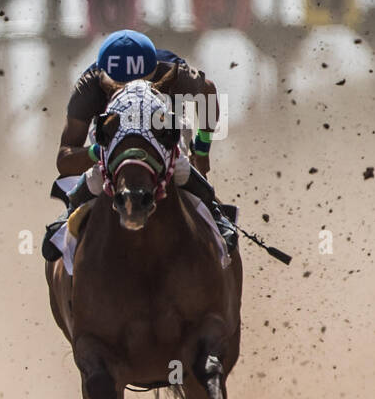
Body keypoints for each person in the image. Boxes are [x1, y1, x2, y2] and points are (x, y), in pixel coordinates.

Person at [41, 29, 237, 262]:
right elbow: (64, 160)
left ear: (155, 73)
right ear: (106, 81)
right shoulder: (89, 86)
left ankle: (214, 214)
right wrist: (99, 151)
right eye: (122, 87)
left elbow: (208, 91)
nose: (133, 96)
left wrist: (202, 152)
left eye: (141, 84)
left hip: (164, 137)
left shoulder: (172, 70)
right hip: (112, 148)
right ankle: (69, 214)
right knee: (95, 181)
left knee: (182, 170)